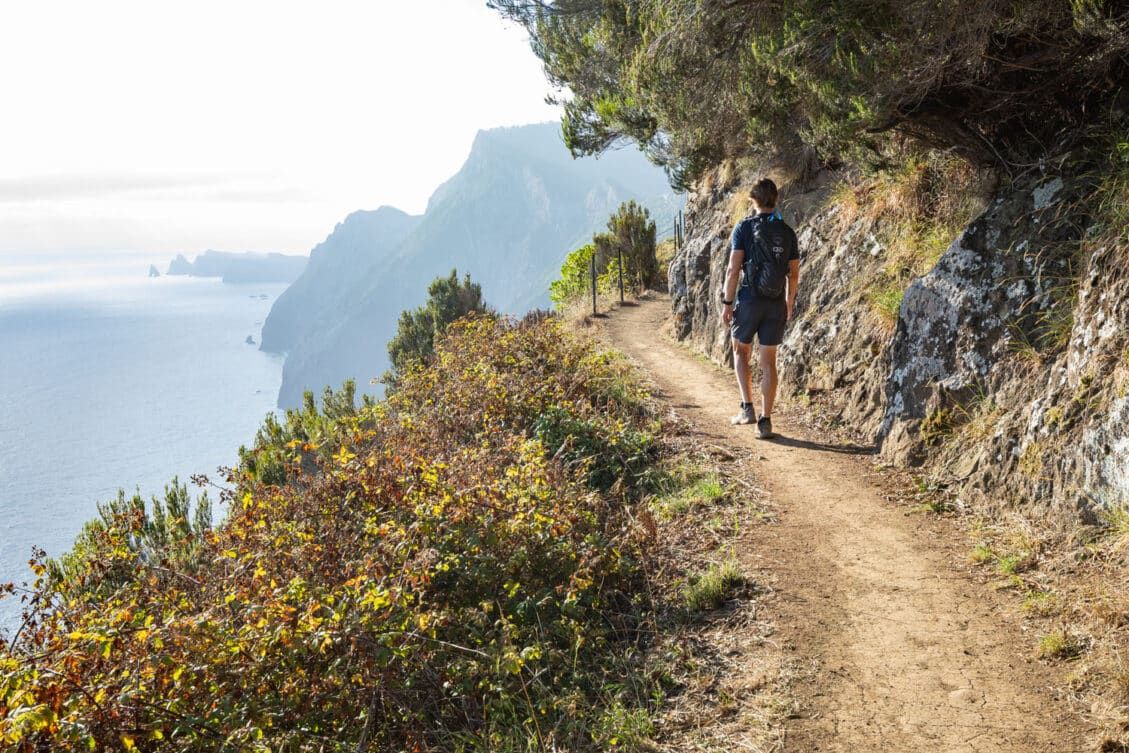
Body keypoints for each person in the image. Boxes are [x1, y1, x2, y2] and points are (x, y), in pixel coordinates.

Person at [721, 178, 800, 438]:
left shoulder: (744, 227)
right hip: (775, 302)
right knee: (769, 362)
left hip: (749, 301)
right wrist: (788, 303)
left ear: (753, 200)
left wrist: (727, 302)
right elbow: (794, 275)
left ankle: (747, 408)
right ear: (775, 199)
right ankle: (765, 422)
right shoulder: (787, 232)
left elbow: (733, 269)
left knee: (740, 351)